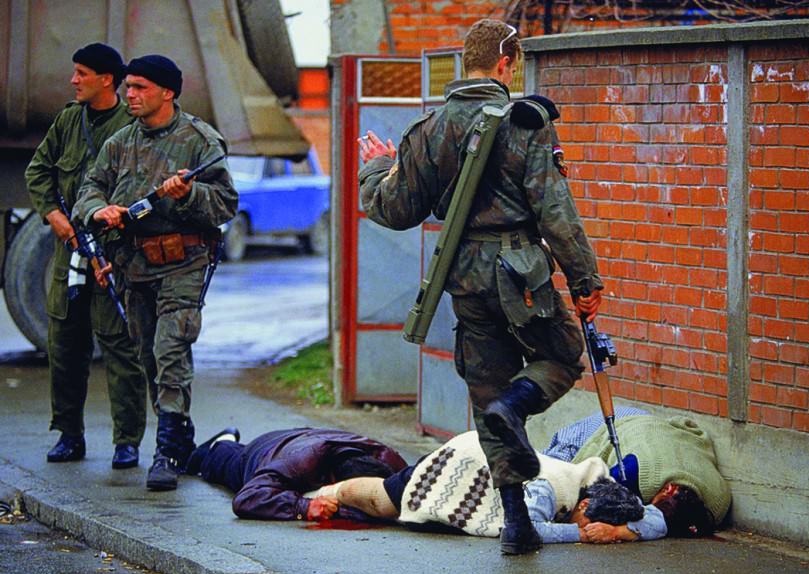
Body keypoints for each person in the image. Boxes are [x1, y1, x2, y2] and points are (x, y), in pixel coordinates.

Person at [358, 19, 604, 554]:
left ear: (462, 63)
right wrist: (585, 279)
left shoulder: (428, 131)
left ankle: (516, 524)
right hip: (523, 271)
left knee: (487, 386)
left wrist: (376, 166)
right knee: (561, 357)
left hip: (464, 274)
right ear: (505, 64)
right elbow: (556, 214)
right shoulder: (526, 122)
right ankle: (516, 407)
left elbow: (393, 209)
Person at [74, 54, 238, 491]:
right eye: (127, 87)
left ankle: (166, 450)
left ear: (167, 92)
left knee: (170, 349)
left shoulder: (200, 141)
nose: (130, 94)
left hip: (183, 262)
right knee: (146, 353)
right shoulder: (119, 143)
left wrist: (187, 195)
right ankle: (181, 435)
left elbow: (224, 204)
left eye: (140, 87)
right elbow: (88, 190)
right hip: (133, 264)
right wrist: (98, 209)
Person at [24, 43, 147, 470]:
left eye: (81, 73)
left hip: (113, 259)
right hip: (71, 255)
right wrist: (53, 215)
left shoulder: (132, 126)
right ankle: (68, 434)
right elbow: (38, 171)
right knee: (65, 347)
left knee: (121, 348)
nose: (73, 80)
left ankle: (127, 440)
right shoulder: (68, 121)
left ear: (106, 79)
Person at [313, 431, 666, 544]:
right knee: (381, 500)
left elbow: (657, 519)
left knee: (386, 501)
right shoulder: (551, 491)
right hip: (464, 462)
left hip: (494, 460)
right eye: (583, 522)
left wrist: (621, 531)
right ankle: (321, 493)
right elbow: (523, 530)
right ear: (584, 509)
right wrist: (583, 536)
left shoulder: (609, 491)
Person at [544, 407, 730, 537]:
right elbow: (583, 492)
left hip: (656, 426)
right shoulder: (632, 475)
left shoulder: (717, 504)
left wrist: (619, 532)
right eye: (651, 509)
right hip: (619, 421)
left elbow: (671, 525)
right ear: (668, 488)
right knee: (554, 465)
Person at [185, 426, 408, 521]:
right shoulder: (298, 464)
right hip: (262, 453)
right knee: (218, 461)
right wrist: (303, 506)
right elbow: (246, 498)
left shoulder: (388, 460)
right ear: (333, 480)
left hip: (305, 438)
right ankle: (220, 443)